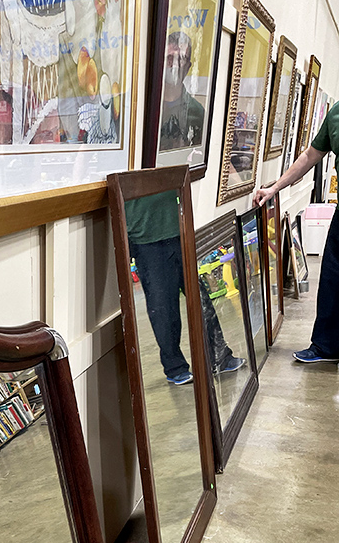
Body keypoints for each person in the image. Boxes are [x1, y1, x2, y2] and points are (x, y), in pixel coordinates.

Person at [125, 192, 245, 385]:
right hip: (145, 240)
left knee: (200, 298)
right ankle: (175, 367)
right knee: (163, 308)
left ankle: (221, 356)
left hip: (178, 231)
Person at [253, 103, 339, 363]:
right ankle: (327, 347)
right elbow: (310, 155)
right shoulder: (336, 114)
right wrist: (275, 188)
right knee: (333, 278)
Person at [159, 32, 205, 151]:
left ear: (188, 66)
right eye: (170, 57)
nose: (174, 65)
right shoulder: (139, 106)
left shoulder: (198, 114)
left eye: (181, 59)